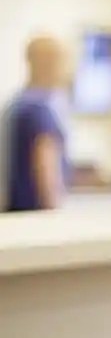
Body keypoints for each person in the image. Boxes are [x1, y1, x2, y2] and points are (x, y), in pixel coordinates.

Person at [1, 35, 71, 212]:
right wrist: (56, 214)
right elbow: (46, 173)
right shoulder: (39, 109)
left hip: (12, 212)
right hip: (35, 216)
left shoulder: (15, 105)